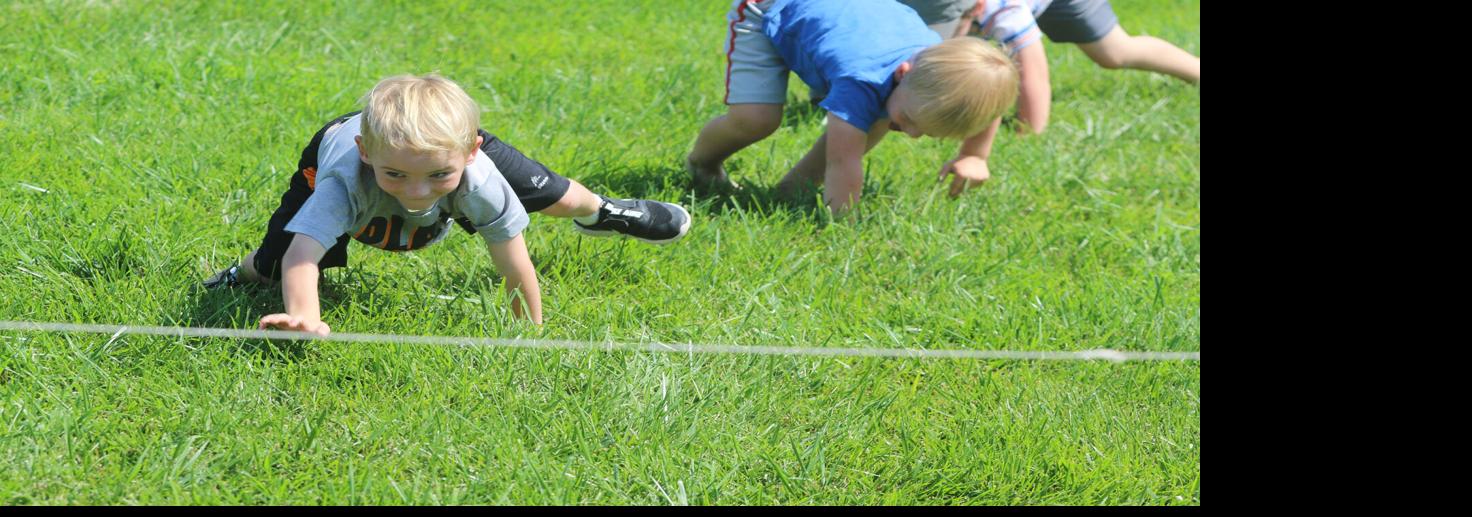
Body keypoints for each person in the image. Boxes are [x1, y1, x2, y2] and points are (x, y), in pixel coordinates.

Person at [203, 73, 691, 333]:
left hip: (435, 147)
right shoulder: (348, 177)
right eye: (397, 176)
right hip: (355, 148)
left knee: (557, 195)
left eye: (437, 177)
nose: (416, 191)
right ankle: (235, 273)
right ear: (367, 154)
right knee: (274, 263)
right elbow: (302, 254)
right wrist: (306, 316)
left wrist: (530, 334)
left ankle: (602, 212)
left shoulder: (477, 175)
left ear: (474, 149)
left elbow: (512, 258)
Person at [687, 0, 1020, 213]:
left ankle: (789, 191)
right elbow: (842, 160)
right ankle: (703, 165)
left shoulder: (940, 70)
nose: (913, 134)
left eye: (928, 133)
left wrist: (974, 154)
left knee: (879, 114)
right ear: (903, 73)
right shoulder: (862, 78)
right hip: (770, 10)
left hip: (837, 19)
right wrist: (842, 228)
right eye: (911, 120)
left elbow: (988, 99)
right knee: (756, 119)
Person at [898, 0, 1200, 134]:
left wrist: (1028, 133)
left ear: (976, 8)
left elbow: (1034, 75)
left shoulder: (1006, 14)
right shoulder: (943, 10)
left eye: (954, 25)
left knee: (1114, 52)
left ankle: (1195, 70)